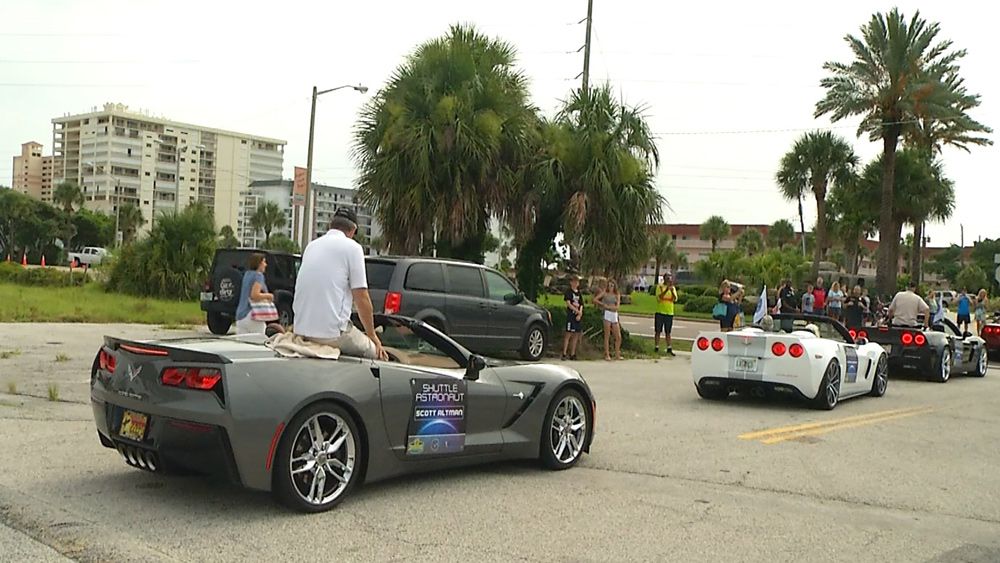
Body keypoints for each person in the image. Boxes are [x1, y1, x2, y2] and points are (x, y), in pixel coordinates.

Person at [292, 208, 387, 360]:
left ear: (331, 224)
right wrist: (372, 335)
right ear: (353, 230)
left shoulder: (311, 246)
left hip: (302, 330)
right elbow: (361, 297)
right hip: (333, 333)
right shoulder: (353, 248)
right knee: (375, 353)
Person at [235, 253, 274, 335]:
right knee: (259, 342)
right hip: (252, 315)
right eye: (264, 262)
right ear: (259, 264)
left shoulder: (247, 274)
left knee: (243, 345)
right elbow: (254, 295)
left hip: (240, 316)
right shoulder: (258, 276)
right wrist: (269, 296)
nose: (265, 265)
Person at [596, 281, 623, 361]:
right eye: (609, 285)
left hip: (614, 314)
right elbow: (595, 299)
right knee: (607, 335)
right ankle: (607, 354)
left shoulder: (616, 294)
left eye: (612, 285)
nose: (611, 287)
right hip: (607, 314)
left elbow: (617, 306)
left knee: (618, 336)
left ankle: (617, 353)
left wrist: (612, 307)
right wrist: (603, 305)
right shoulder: (605, 293)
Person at [654, 275, 678, 356]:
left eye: (670, 279)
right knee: (658, 330)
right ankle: (656, 346)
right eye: (667, 278)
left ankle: (669, 347)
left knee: (668, 331)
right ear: (664, 279)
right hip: (660, 312)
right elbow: (658, 298)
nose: (669, 280)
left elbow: (675, 299)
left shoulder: (673, 288)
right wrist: (666, 290)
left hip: (669, 312)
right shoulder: (660, 287)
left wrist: (671, 290)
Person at [561, 275, 583, 361]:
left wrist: (580, 313)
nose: (575, 283)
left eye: (577, 282)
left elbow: (581, 304)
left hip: (577, 316)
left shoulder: (579, 293)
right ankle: (564, 353)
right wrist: (576, 311)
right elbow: (569, 304)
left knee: (576, 335)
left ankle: (572, 353)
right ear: (571, 283)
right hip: (571, 316)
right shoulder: (569, 292)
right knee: (568, 334)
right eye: (573, 282)